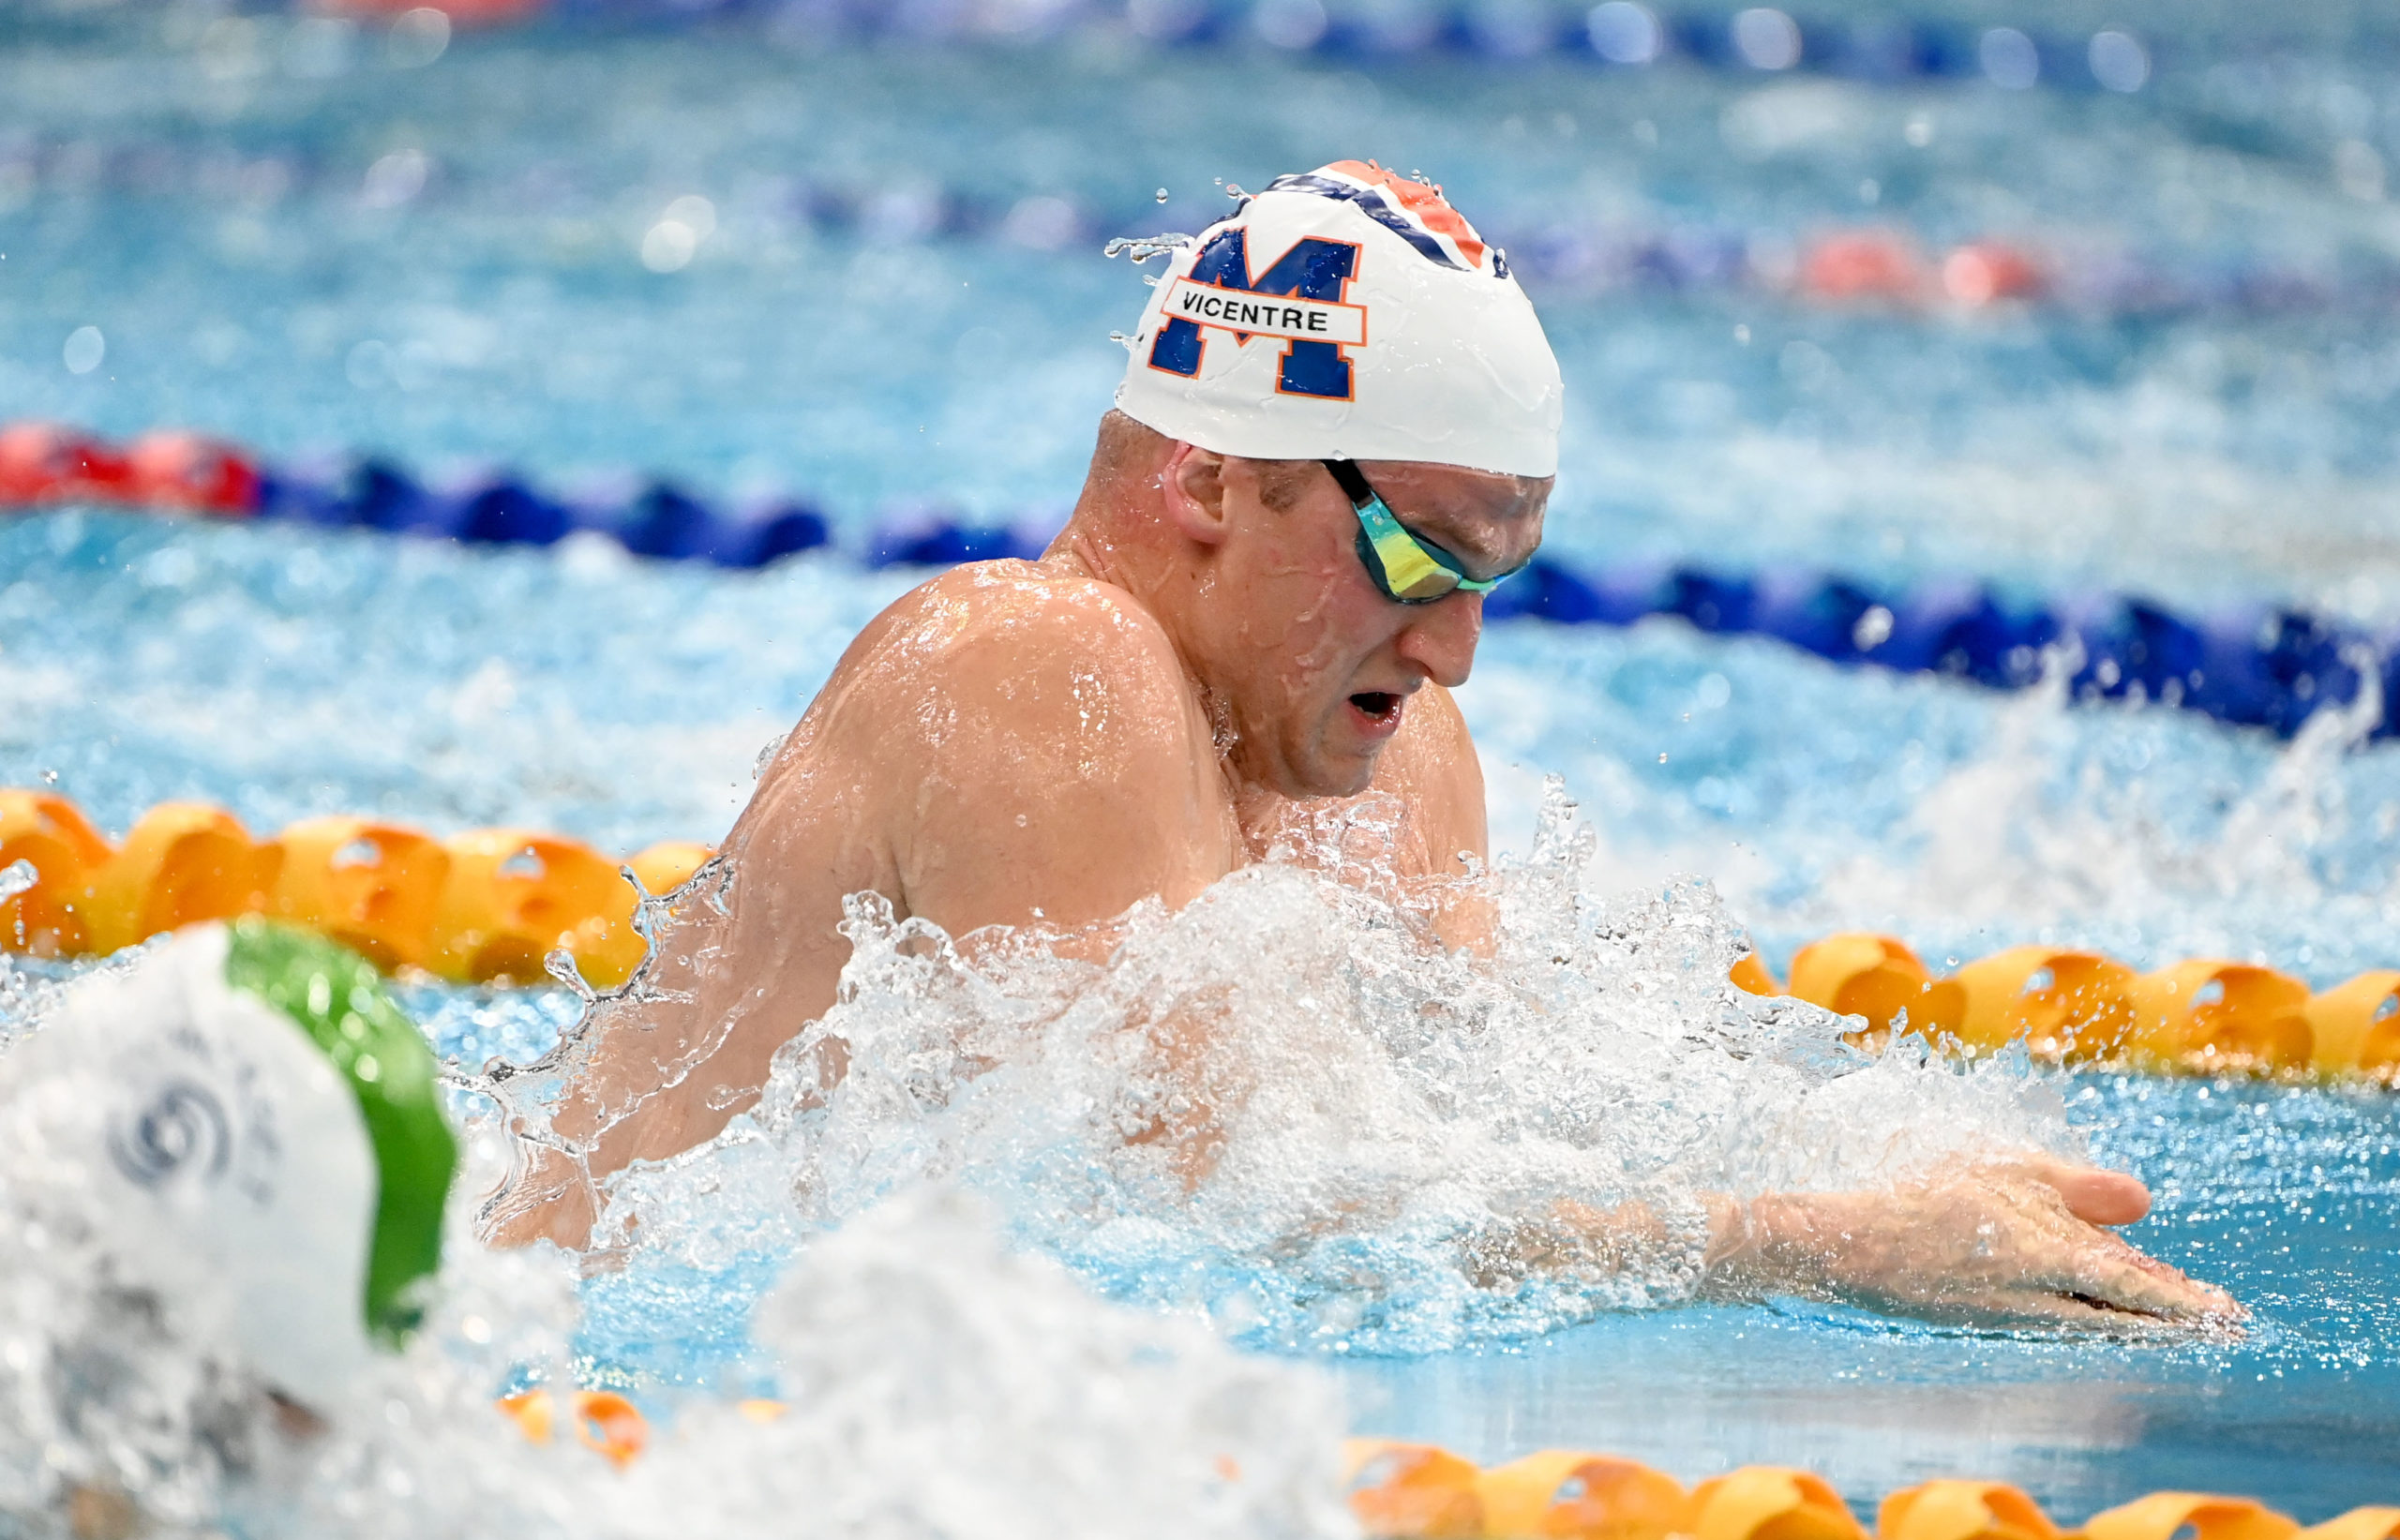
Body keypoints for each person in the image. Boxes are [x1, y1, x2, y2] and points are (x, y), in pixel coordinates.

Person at [488, 160, 2234, 1327]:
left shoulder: (1390, 756)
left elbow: (1489, 1155)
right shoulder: (1031, 665)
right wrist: (1822, 1248)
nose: (1456, 644)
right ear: (1210, 481)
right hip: (537, 1364)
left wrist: (1881, 1171)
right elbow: (1244, 1213)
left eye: (1497, 576)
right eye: (1415, 559)